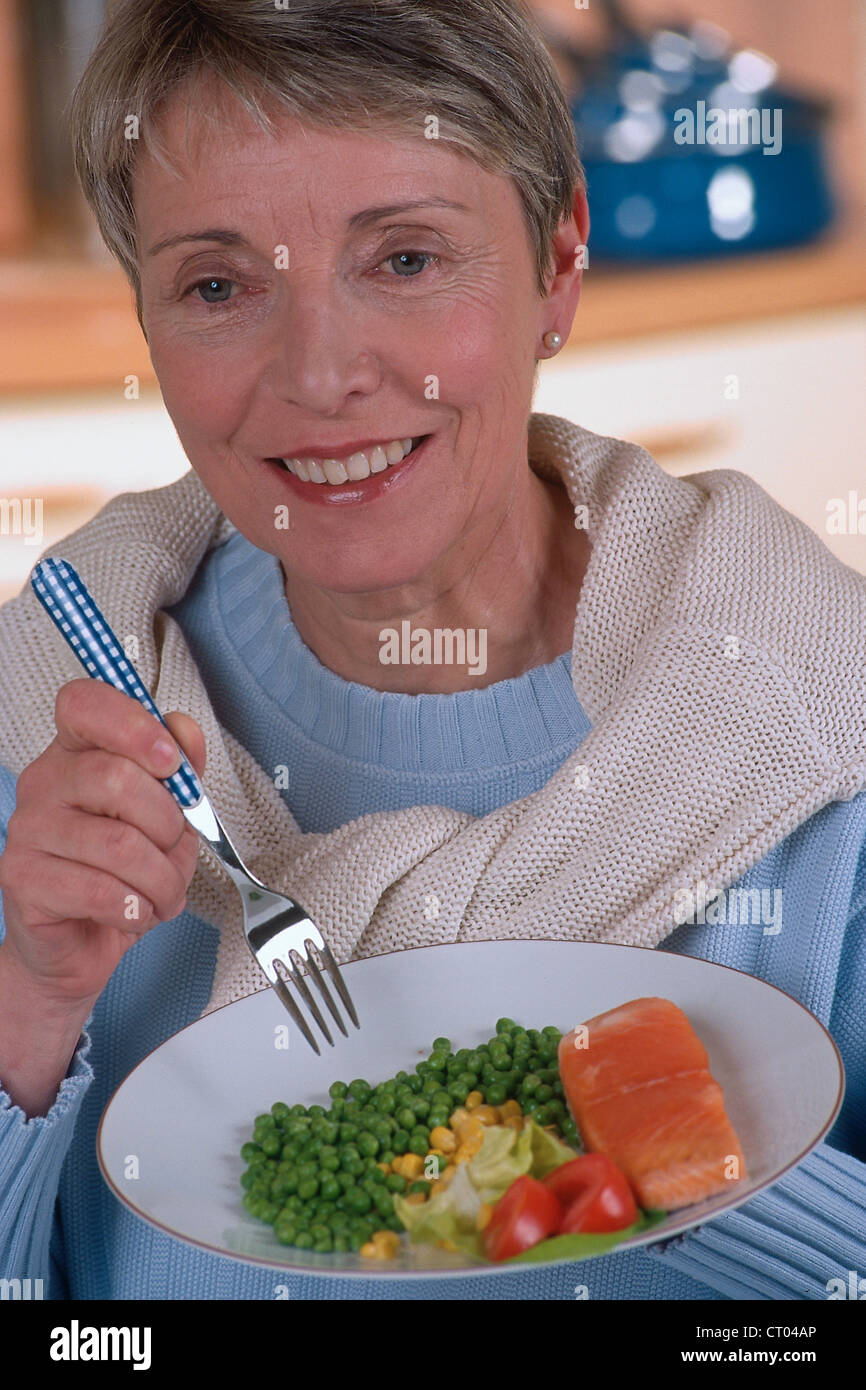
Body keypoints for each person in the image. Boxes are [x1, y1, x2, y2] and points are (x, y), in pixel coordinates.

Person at [0, 0, 864, 1302]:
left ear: (557, 261)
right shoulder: (51, 727)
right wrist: (28, 1007)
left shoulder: (817, 731)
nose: (321, 371)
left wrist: (645, 1141)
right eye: (220, 285)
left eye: (404, 260)